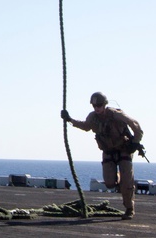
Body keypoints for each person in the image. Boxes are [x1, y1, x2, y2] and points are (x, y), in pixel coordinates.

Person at [62, 92, 143, 220]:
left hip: (123, 150)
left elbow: (136, 125)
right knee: (109, 183)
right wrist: (70, 120)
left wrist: (135, 142)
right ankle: (118, 180)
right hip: (108, 152)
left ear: (104, 104)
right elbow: (85, 126)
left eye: (99, 105)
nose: (96, 108)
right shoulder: (93, 117)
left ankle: (129, 208)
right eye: (94, 106)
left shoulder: (116, 115)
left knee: (127, 183)